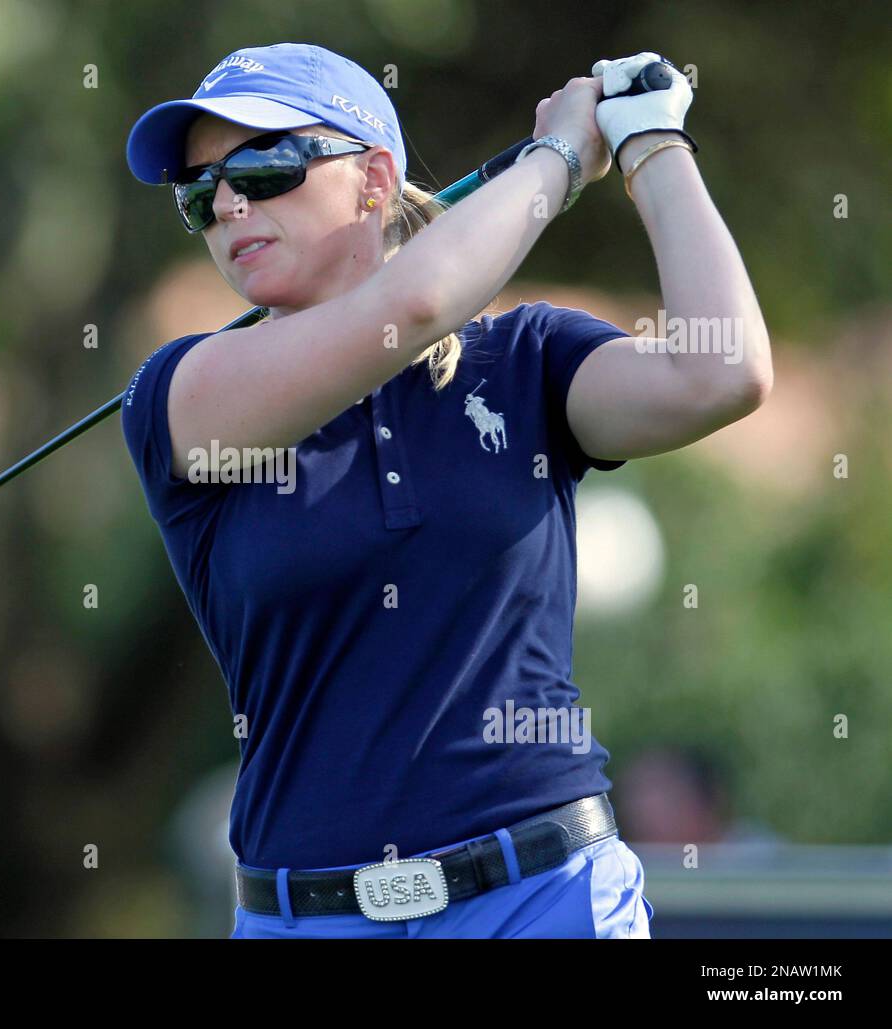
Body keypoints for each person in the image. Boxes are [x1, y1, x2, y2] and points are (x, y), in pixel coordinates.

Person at [120, 42, 772, 938]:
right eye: (200, 191)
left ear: (374, 180)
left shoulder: (526, 362)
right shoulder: (185, 393)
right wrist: (558, 158)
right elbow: (418, 303)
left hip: (545, 897)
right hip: (309, 915)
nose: (227, 202)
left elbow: (724, 372)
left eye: (264, 167)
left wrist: (649, 144)